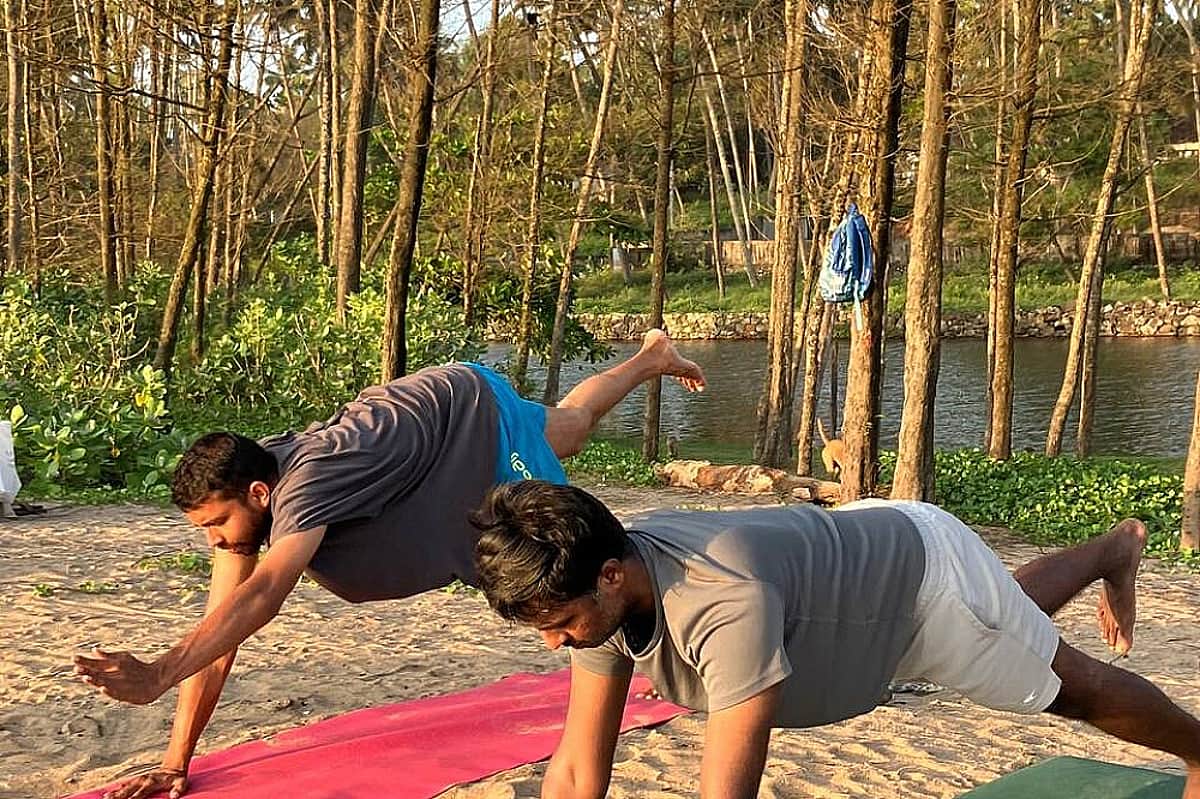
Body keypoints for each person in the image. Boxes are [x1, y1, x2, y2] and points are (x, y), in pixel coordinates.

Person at [73, 331, 705, 799]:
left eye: (215, 525)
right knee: (570, 424)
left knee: (570, 563)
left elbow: (264, 596)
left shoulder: (307, 482)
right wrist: (176, 759)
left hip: (471, 422)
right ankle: (651, 356)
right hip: (437, 409)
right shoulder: (248, 503)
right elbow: (221, 633)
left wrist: (157, 672)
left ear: (259, 495)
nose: (216, 541)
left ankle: (656, 643)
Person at [472, 481, 1200, 799]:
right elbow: (574, 774)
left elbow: (730, 784)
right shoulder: (605, 579)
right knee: (1008, 617)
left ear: (608, 576)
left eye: (560, 625)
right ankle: (1110, 550)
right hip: (865, 565)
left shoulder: (724, 603)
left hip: (920, 590)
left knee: (1070, 686)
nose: (555, 644)